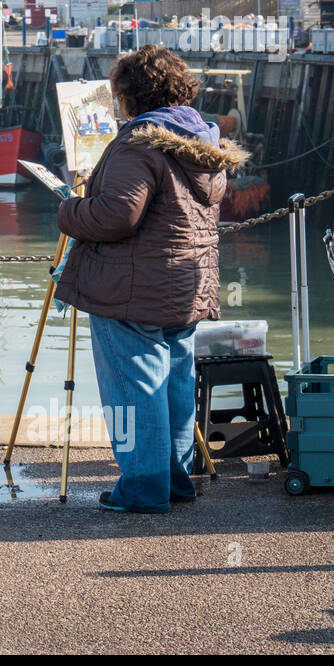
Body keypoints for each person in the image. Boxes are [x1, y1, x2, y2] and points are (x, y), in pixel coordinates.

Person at [55, 44, 247, 513]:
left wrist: (70, 208)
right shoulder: (204, 141)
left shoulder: (141, 142)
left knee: (134, 389)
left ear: (128, 95)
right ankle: (175, 481)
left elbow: (118, 215)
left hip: (132, 290)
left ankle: (143, 488)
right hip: (187, 285)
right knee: (175, 387)